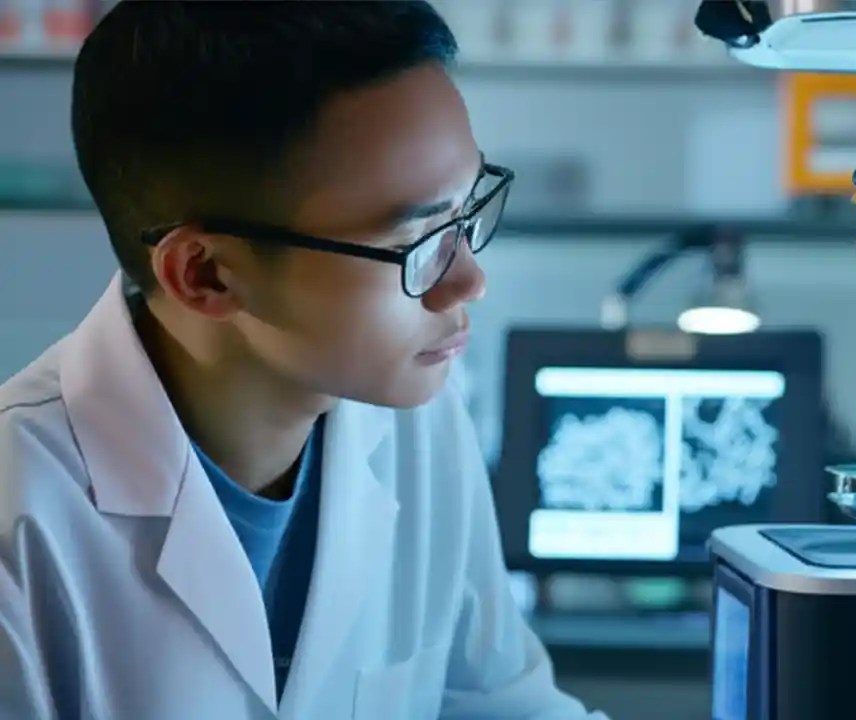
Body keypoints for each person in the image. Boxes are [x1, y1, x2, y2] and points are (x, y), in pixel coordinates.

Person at [0, 2, 605, 718]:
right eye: (416, 242)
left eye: (466, 213)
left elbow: (500, 704)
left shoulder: (420, 410)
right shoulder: (21, 521)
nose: (469, 279)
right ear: (205, 275)